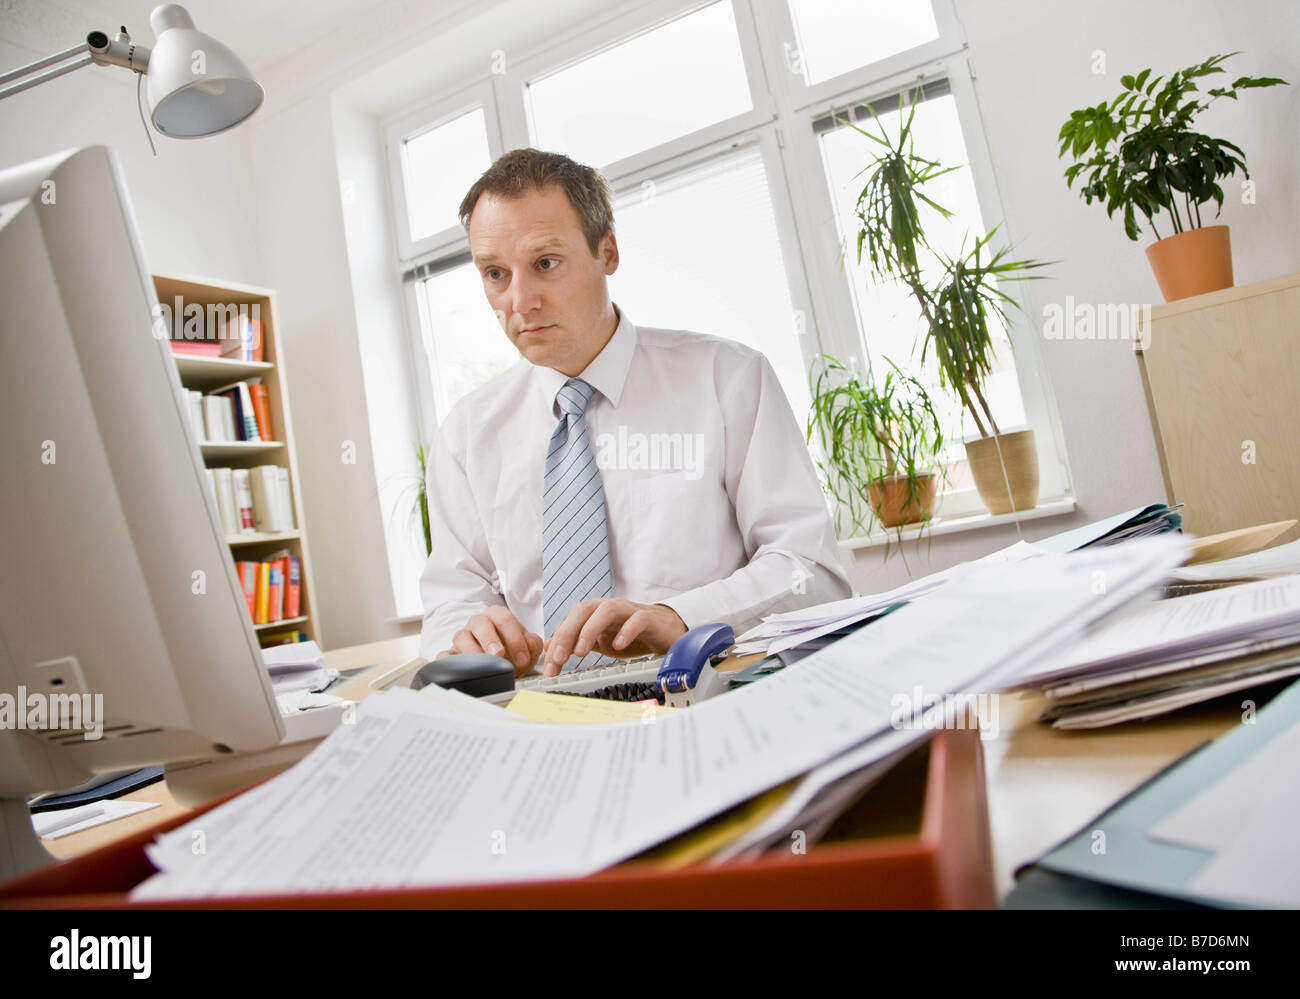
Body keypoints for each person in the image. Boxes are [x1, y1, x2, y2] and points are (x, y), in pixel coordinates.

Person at [419, 147, 851, 677]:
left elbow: (811, 570)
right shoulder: (466, 435)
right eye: (494, 274)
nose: (520, 300)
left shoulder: (728, 379)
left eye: (545, 264)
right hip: (545, 721)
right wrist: (470, 631)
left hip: (708, 695)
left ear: (608, 253)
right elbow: (449, 606)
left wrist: (679, 618)